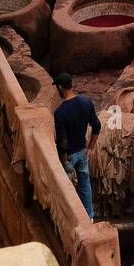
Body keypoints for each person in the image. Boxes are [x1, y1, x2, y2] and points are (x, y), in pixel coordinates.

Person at [53, 73, 102, 220]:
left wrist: (63, 160)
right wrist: (90, 147)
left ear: (60, 87)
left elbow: (63, 142)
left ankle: (69, 219)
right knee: (85, 184)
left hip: (69, 156)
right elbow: (97, 126)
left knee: (66, 189)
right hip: (83, 151)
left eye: (57, 88)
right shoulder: (85, 101)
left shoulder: (60, 112)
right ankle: (89, 217)